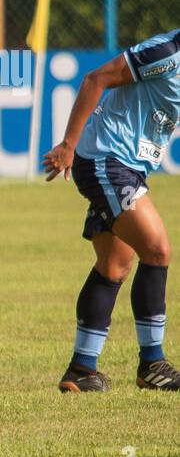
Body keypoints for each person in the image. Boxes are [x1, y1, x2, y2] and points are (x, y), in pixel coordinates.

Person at [42, 28, 180, 393]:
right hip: (107, 159)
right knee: (157, 249)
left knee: (114, 266)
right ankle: (153, 363)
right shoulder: (166, 52)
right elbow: (96, 78)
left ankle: (81, 370)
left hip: (127, 165)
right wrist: (68, 144)